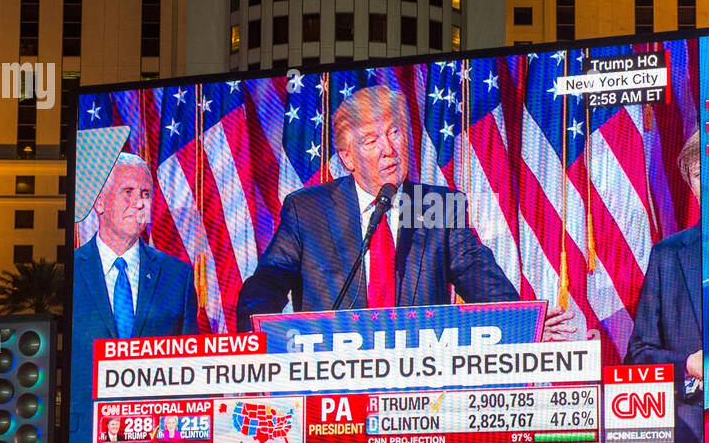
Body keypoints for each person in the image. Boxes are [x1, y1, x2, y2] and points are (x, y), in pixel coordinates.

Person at [235, 84, 573, 341]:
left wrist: (521, 325)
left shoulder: (434, 206)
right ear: (348, 158)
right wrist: (256, 334)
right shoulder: (309, 209)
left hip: (418, 378)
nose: (388, 149)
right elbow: (271, 278)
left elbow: (482, 280)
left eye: (394, 132)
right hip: (332, 373)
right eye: (370, 140)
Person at [71, 152, 200, 437]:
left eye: (145, 193)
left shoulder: (177, 276)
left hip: (157, 438)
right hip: (82, 439)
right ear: (100, 202)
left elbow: (192, 368)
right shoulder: (68, 274)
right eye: (127, 192)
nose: (139, 202)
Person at [624, 130, 702, 443]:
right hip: (693, 427)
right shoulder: (668, 255)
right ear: (690, 185)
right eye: (699, 174)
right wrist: (687, 363)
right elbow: (639, 355)